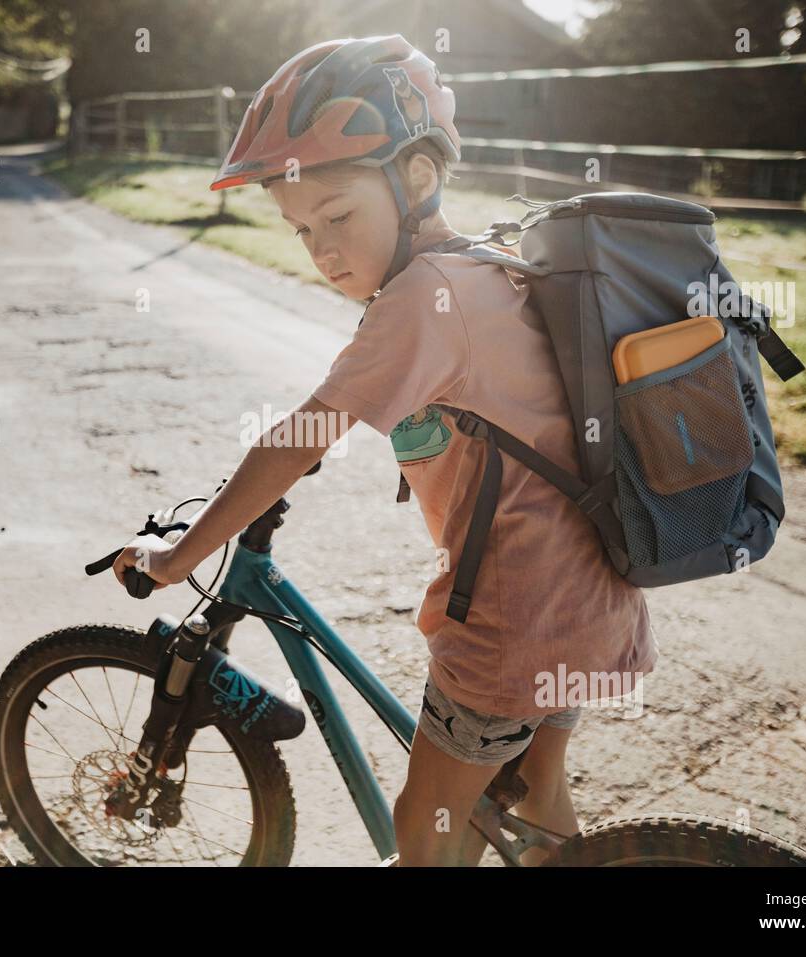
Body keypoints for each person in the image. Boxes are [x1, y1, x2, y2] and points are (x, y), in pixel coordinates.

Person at [111, 34, 657, 866]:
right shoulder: (483, 264)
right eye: (300, 231)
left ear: (417, 179)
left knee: (425, 834)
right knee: (537, 810)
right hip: (592, 600)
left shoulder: (421, 295)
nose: (324, 250)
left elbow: (296, 439)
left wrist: (182, 555)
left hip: (513, 625)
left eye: (338, 216)